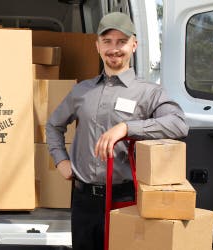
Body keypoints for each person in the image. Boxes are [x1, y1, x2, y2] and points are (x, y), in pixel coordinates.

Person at [45, 12, 189, 250]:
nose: (114, 49)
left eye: (121, 41)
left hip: (125, 199)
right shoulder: (82, 91)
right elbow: (53, 125)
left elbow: (178, 124)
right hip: (83, 200)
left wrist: (126, 127)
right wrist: (61, 160)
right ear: (97, 46)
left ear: (134, 44)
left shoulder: (149, 92)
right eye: (107, 42)